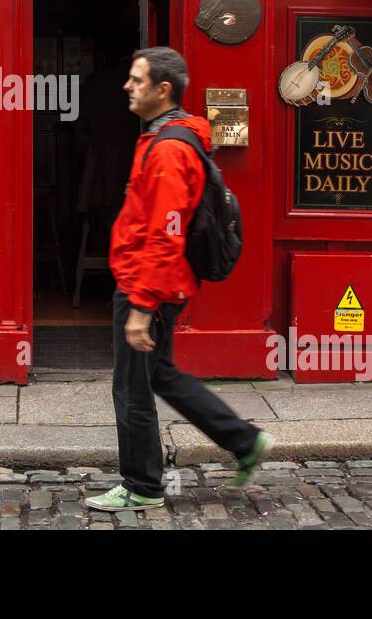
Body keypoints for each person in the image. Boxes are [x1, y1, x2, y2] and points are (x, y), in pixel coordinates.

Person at [86, 46, 274, 512]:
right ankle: (244, 440)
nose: (127, 86)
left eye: (136, 79)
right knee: (162, 375)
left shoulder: (169, 149)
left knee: (131, 389)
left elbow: (164, 233)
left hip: (148, 284)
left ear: (162, 89)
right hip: (157, 282)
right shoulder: (164, 139)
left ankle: (142, 485)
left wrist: (141, 306)